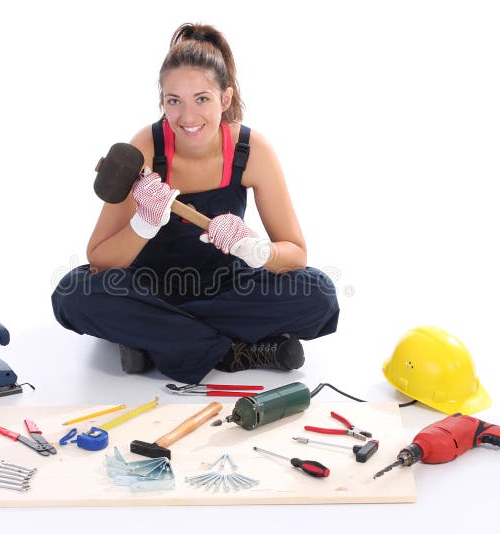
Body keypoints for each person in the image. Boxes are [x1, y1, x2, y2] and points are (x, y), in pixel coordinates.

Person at [51, 23, 339, 384]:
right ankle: (234, 350)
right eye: (174, 101)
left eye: (201, 98)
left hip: (228, 290)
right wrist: (143, 224)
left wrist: (258, 250)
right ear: (162, 101)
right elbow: (100, 258)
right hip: (150, 288)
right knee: (73, 294)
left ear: (225, 98)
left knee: (319, 293)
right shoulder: (146, 147)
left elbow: (296, 253)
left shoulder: (253, 152)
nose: (187, 117)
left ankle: (156, 341)